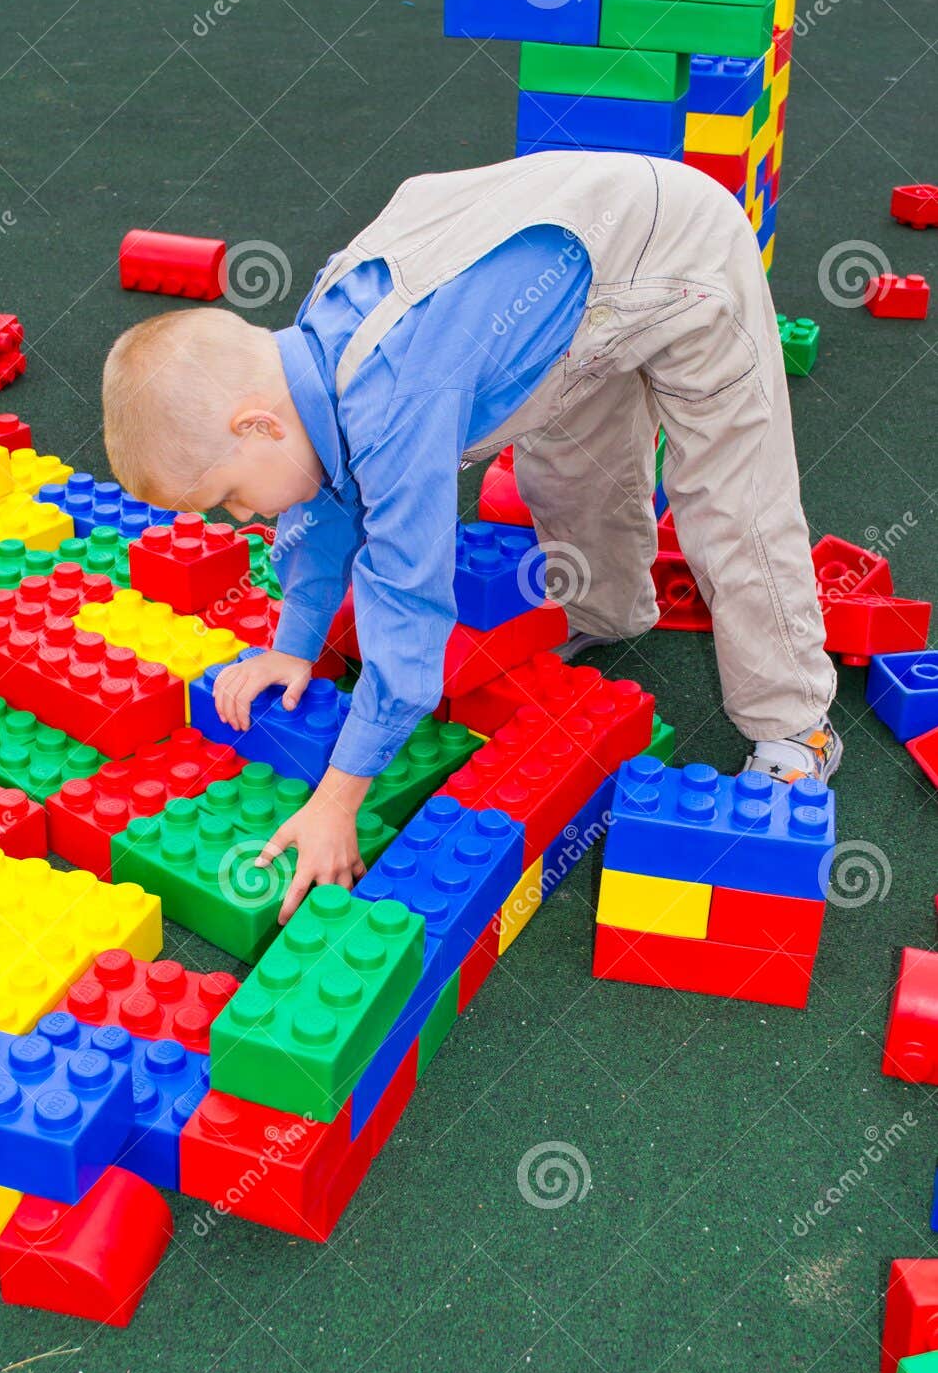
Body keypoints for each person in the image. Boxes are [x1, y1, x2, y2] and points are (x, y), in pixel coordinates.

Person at [102, 150, 840, 922]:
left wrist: (338, 797)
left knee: (730, 500)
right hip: (567, 304)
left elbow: (406, 598)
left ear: (256, 424)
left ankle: (795, 725)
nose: (243, 519)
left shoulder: (396, 403)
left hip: (676, 256)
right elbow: (322, 499)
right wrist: (293, 642)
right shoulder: (306, 370)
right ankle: (610, 613)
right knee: (565, 475)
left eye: (228, 498)